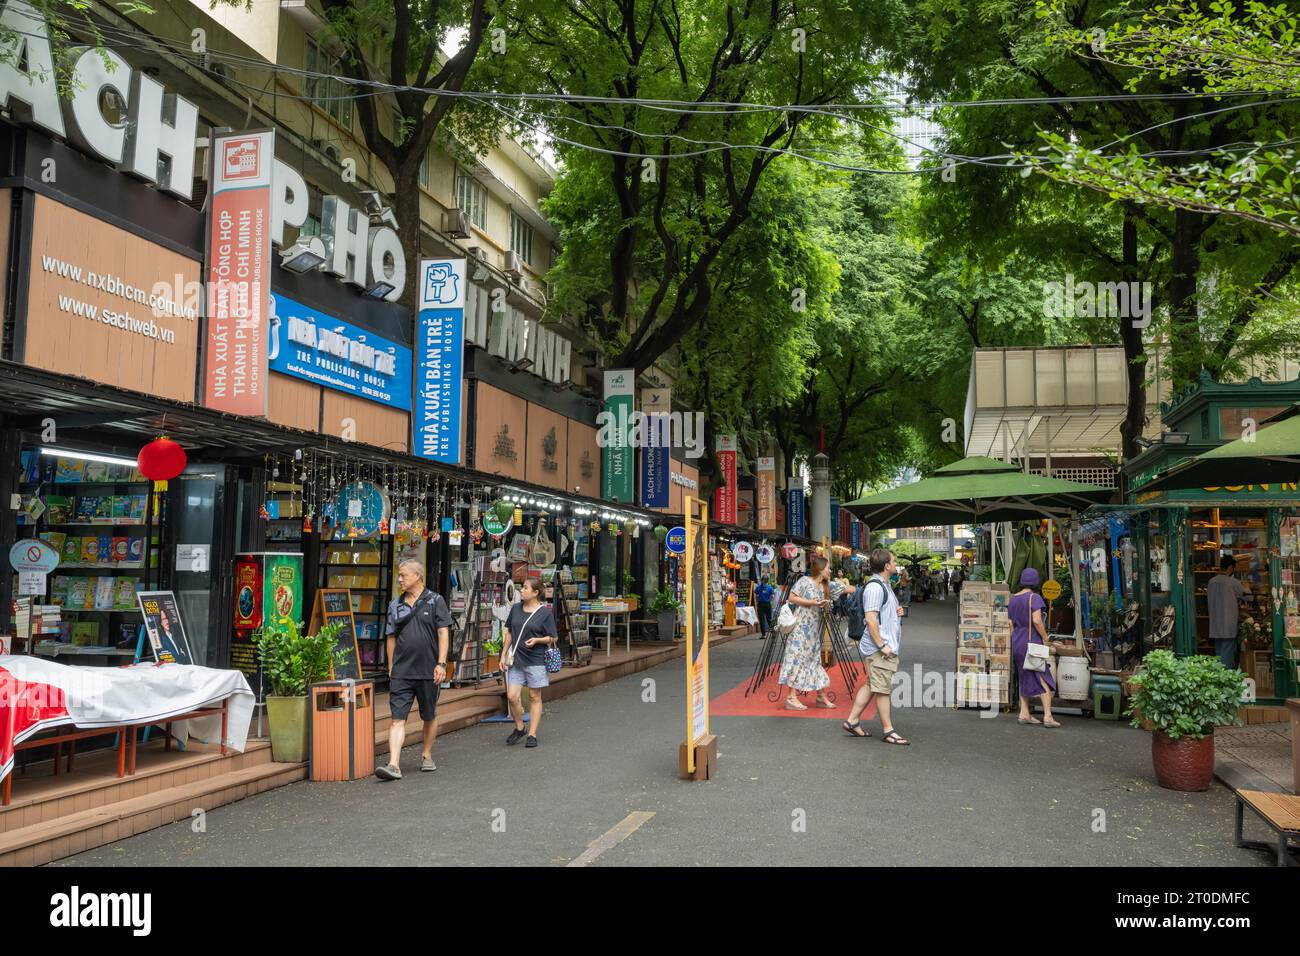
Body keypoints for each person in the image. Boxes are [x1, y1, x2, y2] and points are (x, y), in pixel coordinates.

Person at [377, 560, 452, 780]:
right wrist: (391, 667)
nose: (399, 579)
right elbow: (390, 637)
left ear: (418, 576)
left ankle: (427, 755)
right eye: (399, 576)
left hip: (429, 671)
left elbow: (443, 633)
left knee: (429, 714)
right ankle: (393, 764)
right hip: (402, 671)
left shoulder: (436, 600)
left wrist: (441, 663)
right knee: (397, 718)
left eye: (403, 575)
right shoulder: (395, 605)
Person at [844, 548, 909, 744]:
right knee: (882, 689)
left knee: (873, 684)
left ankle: (852, 720)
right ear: (886, 566)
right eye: (894, 561)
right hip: (878, 648)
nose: (896, 564)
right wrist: (881, 646)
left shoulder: (885, 584)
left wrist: (895, 611)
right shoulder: (875, 587)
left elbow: (880, 613)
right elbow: (871, 619)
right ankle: (888, 731)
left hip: (883, 644)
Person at [502, 576, 560, 748]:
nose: (521, 590)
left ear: (535, 592)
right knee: (512, 696)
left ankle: (532, 734)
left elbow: (553, 637)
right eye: (522, 587)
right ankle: (520, 727)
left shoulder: (544, 613)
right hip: (517, 659)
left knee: (535, 696)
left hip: (536, 660)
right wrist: (503, 655)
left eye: (525, 588)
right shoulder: (516, 609)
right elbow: (510, 633)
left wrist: (537, 640)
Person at [778, 554, 839, 710]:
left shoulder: (824, 586)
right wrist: (812, 602)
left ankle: (821, 696)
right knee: (797, 659)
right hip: (800, 629)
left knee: (814, 661)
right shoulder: (805, 581)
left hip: (812, 630)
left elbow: (840, 592)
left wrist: (824, 605)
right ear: (820, 569)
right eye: (828, 568)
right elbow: (791, 598)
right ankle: (791, 697)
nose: (830, 570)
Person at [1010, 568, 1059, 727]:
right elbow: (1037, 620)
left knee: (1023, 677)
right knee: (1042, 677)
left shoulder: (1013, 598)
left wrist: (1016, 638)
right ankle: (1048, 716)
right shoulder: (1034, 598)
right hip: (1032, 643)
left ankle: (1024, 713)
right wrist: (1045, 638)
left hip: (1017, 642)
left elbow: (1010, 623)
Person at [1207, 555, 1249, 670]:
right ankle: (1226, 681)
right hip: (1228, 624)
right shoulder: (1232, 582)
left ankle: (1219, 680)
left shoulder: (1211, 582)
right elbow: (1248, 597)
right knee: (1227, 656)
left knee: (1219, 653)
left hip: (1215, 624)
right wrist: (1247, 586)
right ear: (1230, 567)